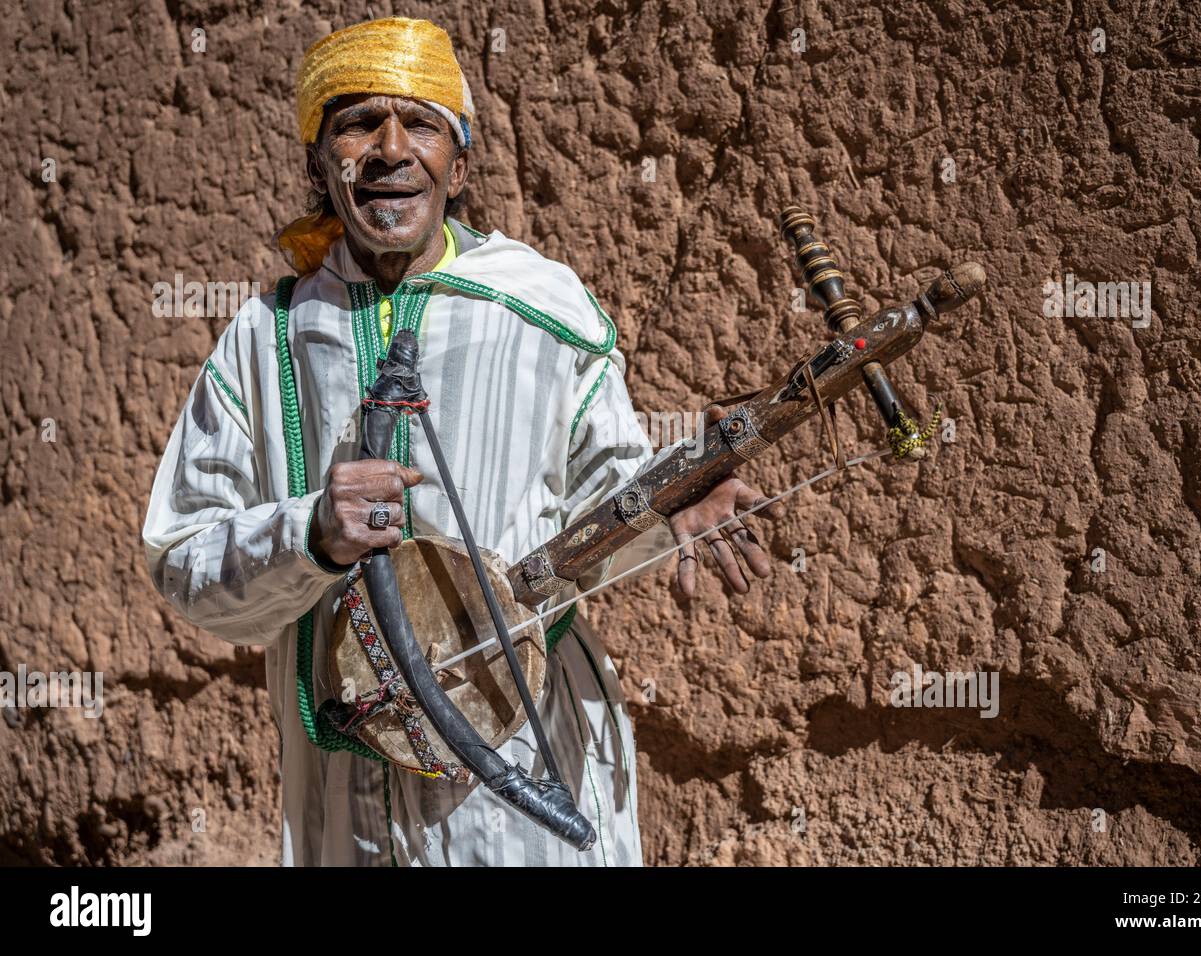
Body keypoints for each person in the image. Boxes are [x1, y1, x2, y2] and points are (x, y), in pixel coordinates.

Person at [142, 17, 774, 866]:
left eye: (423, 125)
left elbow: (606, 509)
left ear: (460, 165)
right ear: (321, 165)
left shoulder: (541, 310)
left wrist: (674, 507)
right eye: (358, 123)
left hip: (522, 772)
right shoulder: (264, 338)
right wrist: (308, 534)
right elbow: (184, 561)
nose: (390, 150)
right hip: (345, 801)